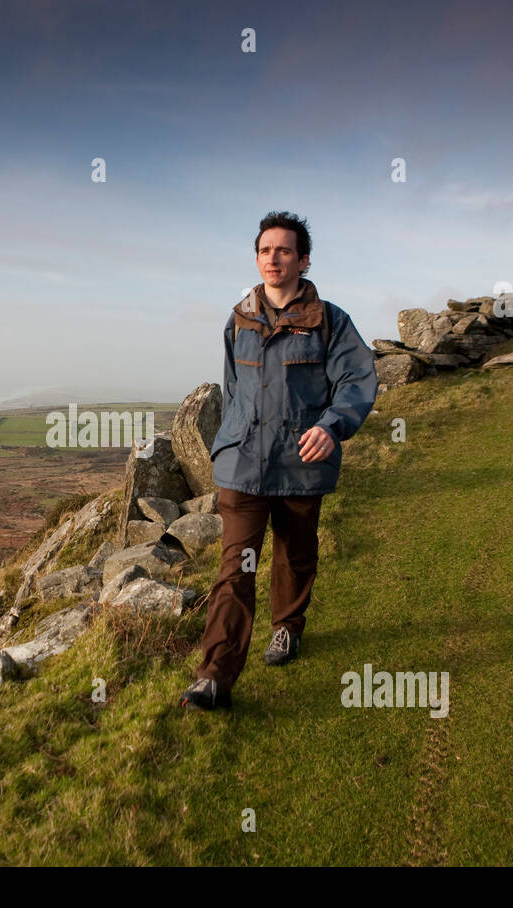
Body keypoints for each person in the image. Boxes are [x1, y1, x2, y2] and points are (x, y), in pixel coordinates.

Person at [179, 211, 378, 711]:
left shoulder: (330, 321)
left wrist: (332, 427)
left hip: (299, 464)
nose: (274, 259)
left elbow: (356, 381)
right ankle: (215, 677)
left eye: (285, 250)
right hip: (243, 465)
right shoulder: (238, 319)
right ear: (257, 258)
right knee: (234, 568)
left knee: (294, 554)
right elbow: (234, 390)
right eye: (266, 250)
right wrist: (230, 440)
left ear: (303, 260)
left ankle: (287, 626)